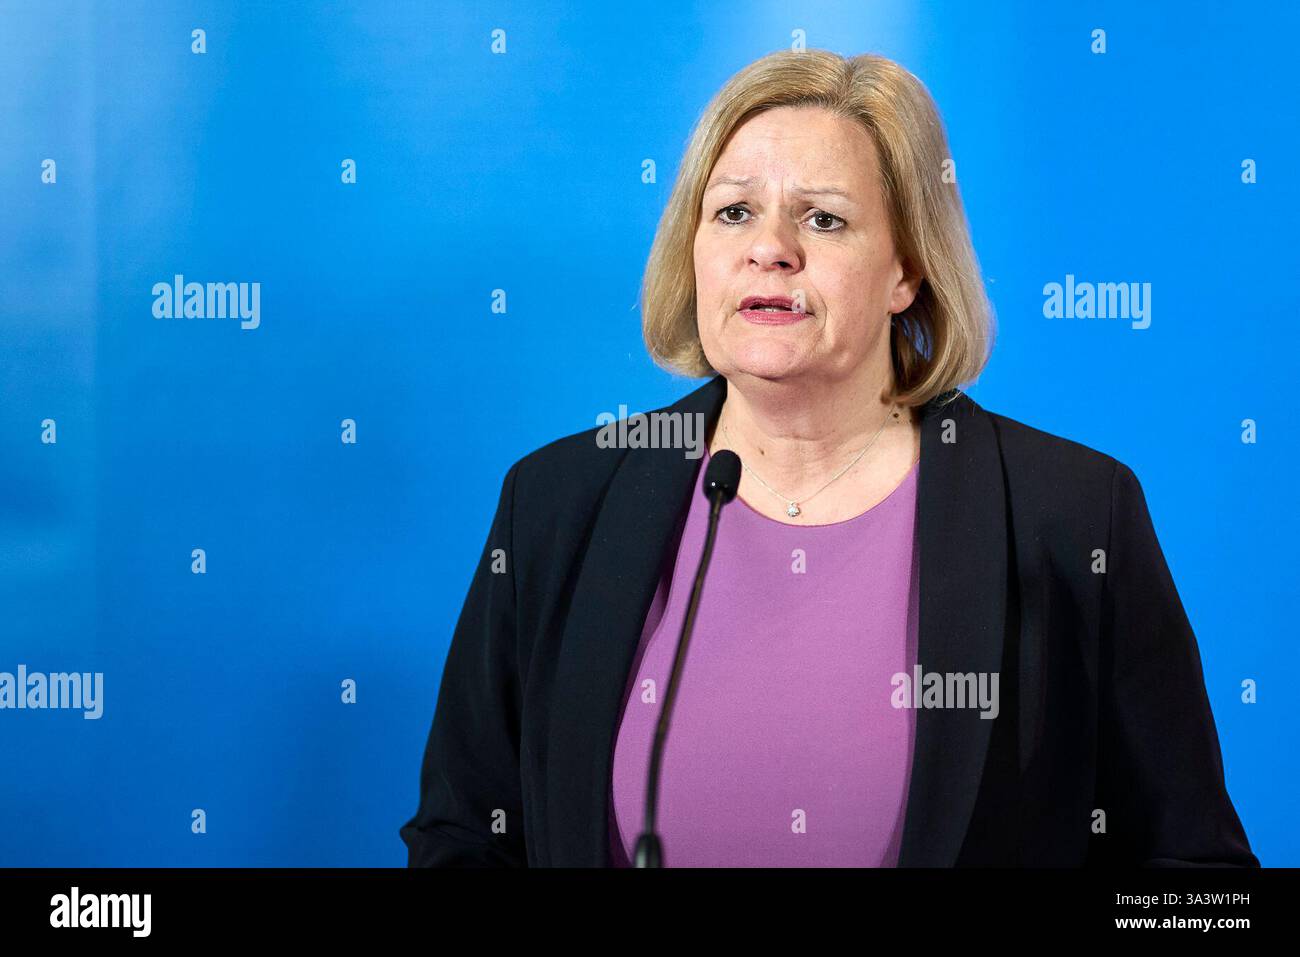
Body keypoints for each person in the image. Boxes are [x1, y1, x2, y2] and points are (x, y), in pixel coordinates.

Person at [399, 49, 1258, 867]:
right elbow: (464, 837)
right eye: (733, 210)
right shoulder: (556, 504)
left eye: (824, 217)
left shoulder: (1068, 514)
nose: (768, 246)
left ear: (908, 272)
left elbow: (1196, 878)